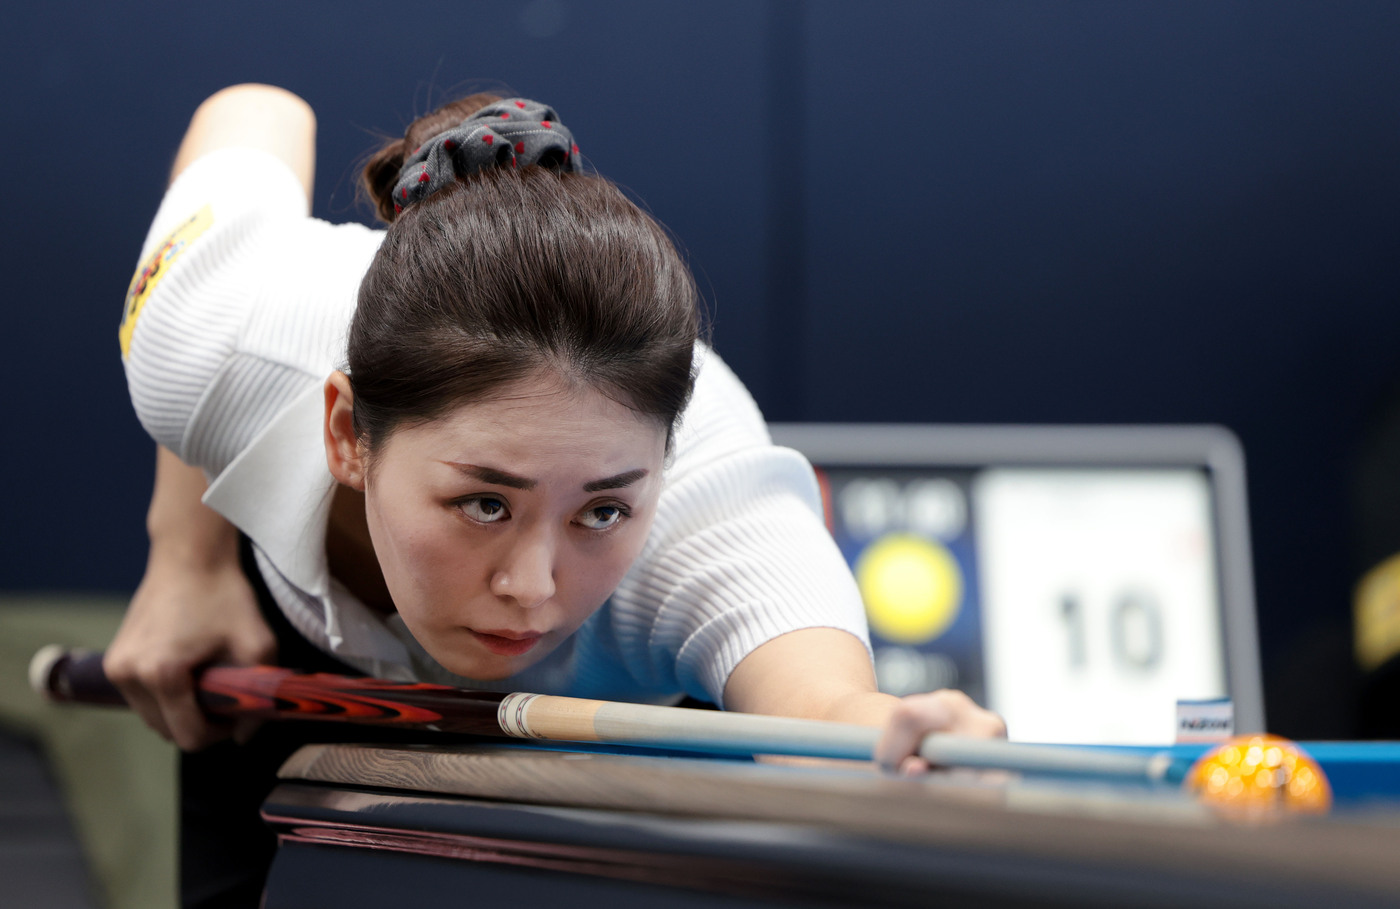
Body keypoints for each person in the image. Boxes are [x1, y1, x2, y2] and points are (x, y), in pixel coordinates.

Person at [109, 83, 1005, 906]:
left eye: (603, 511)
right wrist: (185, 558)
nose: (534, 588)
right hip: (288, 670)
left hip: (613, 746)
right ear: (346, 433)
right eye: (486, 503)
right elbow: (259, 110)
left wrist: (895, 745)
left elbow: (823, 713)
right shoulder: (221, 337)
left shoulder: (707, 514)